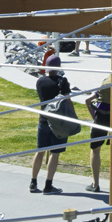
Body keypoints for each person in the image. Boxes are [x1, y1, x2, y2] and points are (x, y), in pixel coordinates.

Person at [29, 60, 73, 193]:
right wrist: (73, 117)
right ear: (58, 67)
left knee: (40, 151)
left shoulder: (40, 81)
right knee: (55, 153)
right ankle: (48, 185)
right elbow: (67, 100)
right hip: (58, 122)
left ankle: (33, 182)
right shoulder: (62, 81)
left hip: (43, 119)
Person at [85, 85, 112, 195]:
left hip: (101, 118)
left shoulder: (104, 86)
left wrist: (94, 118)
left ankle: (95, 184)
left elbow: (87, 100)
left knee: (95, 150)